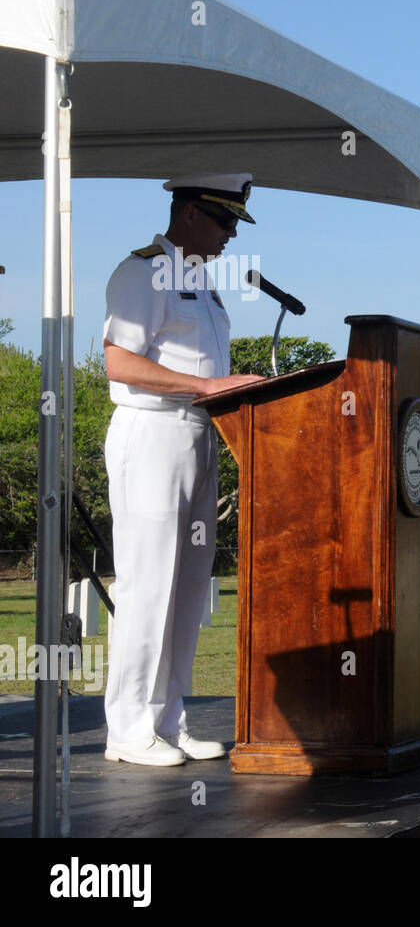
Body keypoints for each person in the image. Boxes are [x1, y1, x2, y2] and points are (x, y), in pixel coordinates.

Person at [101, 173, 264, 767]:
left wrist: (228, 390)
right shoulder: (142, 272)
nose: (229, 235)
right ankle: (128, 728)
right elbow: (120, 362)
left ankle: (168, 719)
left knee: (187, 590)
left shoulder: (200, 282)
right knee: (147, 585)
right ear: (191, 212)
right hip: (153, 435)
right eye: (224, 222)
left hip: (201, 435)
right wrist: (206, 385)